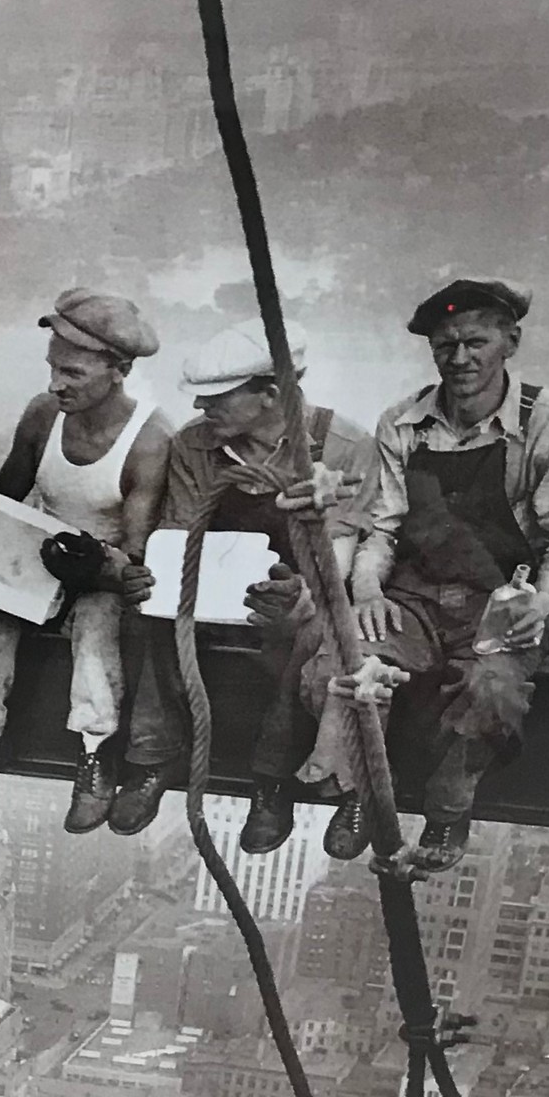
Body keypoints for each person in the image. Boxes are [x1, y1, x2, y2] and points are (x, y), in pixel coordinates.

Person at [333, 278, 549, 869]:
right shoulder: (403, 422)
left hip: (511, 594)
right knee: (357, 662)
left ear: (511, 343)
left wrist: (542, 602)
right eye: (444, 346)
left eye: (476, 342)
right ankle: (360, 792)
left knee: (491, 687)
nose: (460, 358)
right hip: (419, 590)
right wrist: (367, 588)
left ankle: (448, 811)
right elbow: (383, 528)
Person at [108, 318, 374, 846]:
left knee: (308, 635)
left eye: (216, 398)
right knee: (152, 615)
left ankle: (271, 781)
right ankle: (152, 757)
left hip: (300, 590)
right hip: (213, 581)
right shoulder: (194, 445)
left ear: (270, 395)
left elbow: (338, 557)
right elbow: (181, 533)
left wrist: (297, 596)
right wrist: (158, 579)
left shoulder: (344, 446)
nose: (200, 407)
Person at [0, 288, 170, 832]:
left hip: (100, 572)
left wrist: (98, 566)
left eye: (72, 373)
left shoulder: (149, 440)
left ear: (118, 370)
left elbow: (136, 553)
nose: (54, 384)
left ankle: (95, 752)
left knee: (97, 626)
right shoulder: (43, 415)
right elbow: (5, 501)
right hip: (40, 556)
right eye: (52, 368)